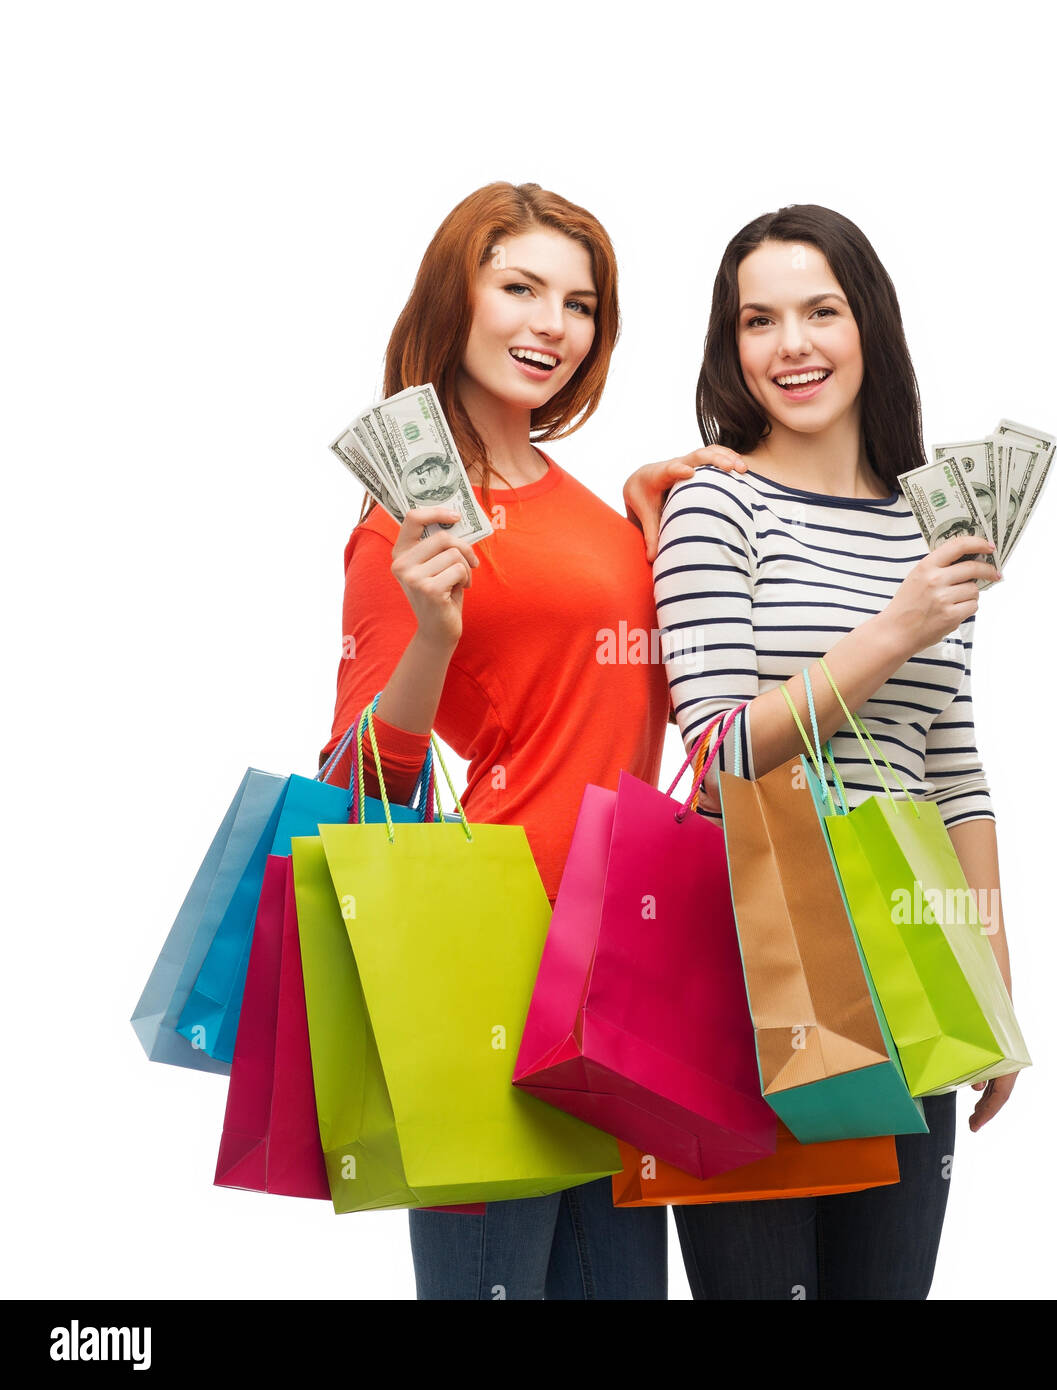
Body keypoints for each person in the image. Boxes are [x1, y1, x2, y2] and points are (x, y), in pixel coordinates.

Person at [317, 181, 741, 1300]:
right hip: (486, 975)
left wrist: (656, 518)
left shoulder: (603, 513)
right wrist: (432, 635)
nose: (551, 324)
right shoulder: (405, 527)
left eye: (580, 302)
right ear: (454, 298)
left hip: (622, 974)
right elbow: (359, 791)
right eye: (519, 288)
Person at [651, 203, 1017, 1300]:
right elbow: (717, 751)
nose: (791, 344)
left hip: (910, 960)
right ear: (732, 347)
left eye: (820, 310)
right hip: (754, 967)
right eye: (758, 320)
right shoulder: (713, 505)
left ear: (870, 326)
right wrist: (893, 630)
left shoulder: (928, 524)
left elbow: (951, 765)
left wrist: (989, 970)